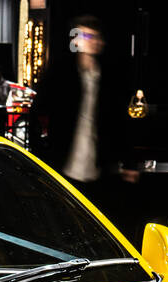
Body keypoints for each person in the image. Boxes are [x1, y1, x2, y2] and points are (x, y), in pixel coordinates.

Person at [31, 15, 139, 228]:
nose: (90, 41)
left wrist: (129, 161)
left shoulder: (108, 78)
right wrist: (40, 151)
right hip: (64, 159)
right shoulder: (61, 72)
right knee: (64, 218)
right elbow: (37, 110)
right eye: (84, 35)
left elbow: (120, 121)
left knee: (97, 220)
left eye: (94, 36)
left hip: (98, 162)